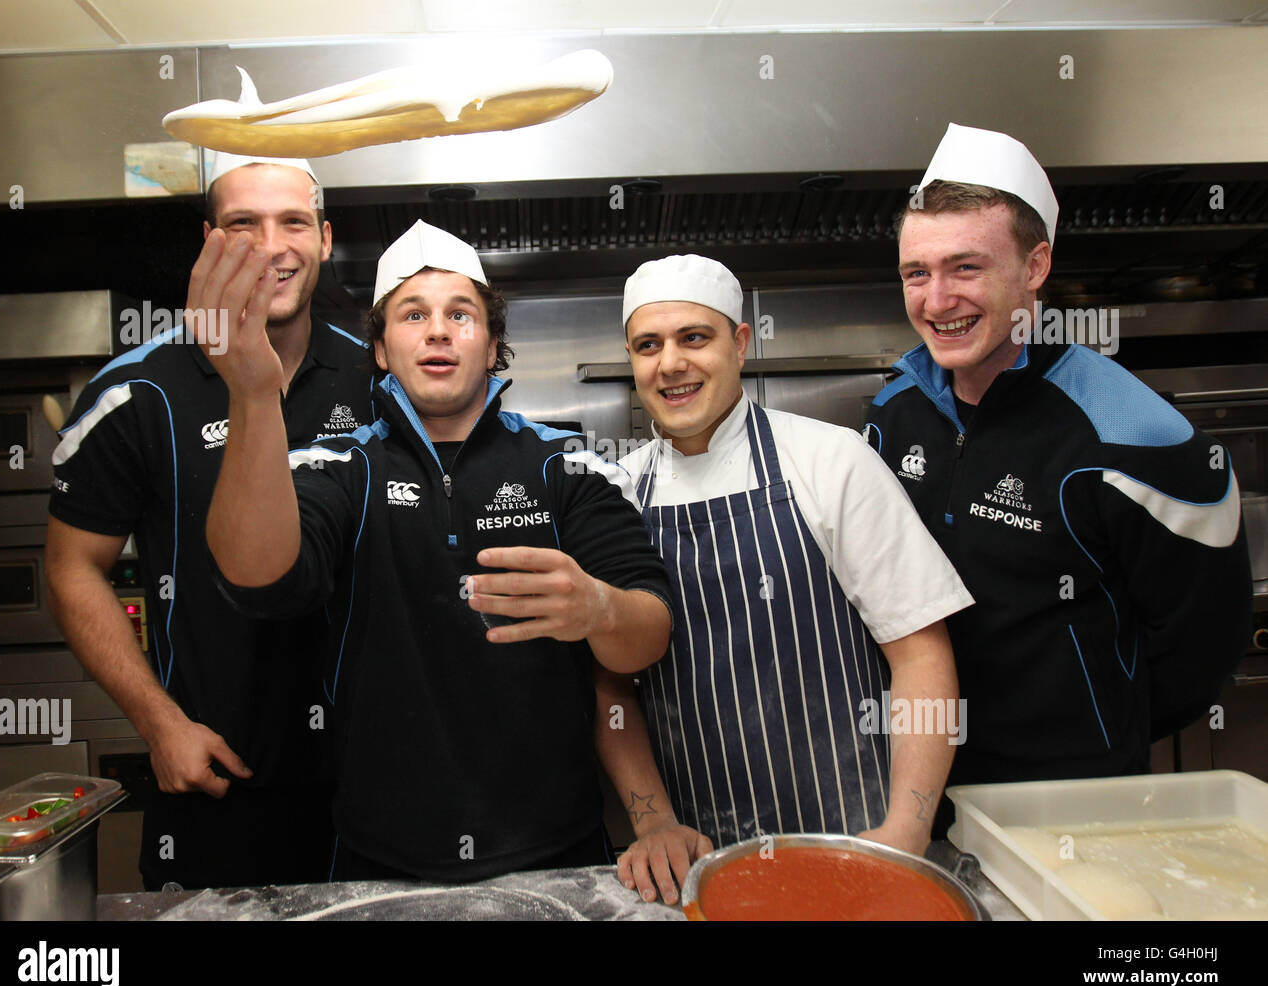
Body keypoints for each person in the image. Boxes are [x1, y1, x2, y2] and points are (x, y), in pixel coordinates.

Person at [203, 219, 674, 882]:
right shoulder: (335, 468)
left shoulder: (568, 467)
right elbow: (257, 578)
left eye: (462, 314)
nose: (438, 330)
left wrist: (597, 608)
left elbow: (648, 634)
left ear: (494, 344)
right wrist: (253, 392)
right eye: (413, 314)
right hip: (379, 859)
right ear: (380, 348)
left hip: (559, 853)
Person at [863, 123, 1252, 804]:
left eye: (966, 267)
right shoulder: (893, 412)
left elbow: (1204, 640)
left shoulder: (1134, 432)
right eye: (916, 273)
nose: (936, 299)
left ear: (1034, 268)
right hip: (916, 787)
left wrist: (1101, 734)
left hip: (1072, 800)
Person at [599, 253, 975, 904]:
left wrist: (905, 834)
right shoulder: (618, 496)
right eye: (647, 345)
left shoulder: (833, 461)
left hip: (853, 846)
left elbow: (921, 653)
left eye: (695, 337)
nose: (670, 364)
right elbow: (611, 688)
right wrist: (653, 820)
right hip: (699, 870)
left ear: (741, 343)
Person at [46, 151, 374, 890]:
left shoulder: (382, 381)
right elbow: (73, 567)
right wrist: (159, 722)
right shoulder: (135, 395)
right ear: (209, 241)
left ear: (325, 238)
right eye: (242, 225)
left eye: (293, 220)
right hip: (215, 782)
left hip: (374, 781)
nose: (271, 245)